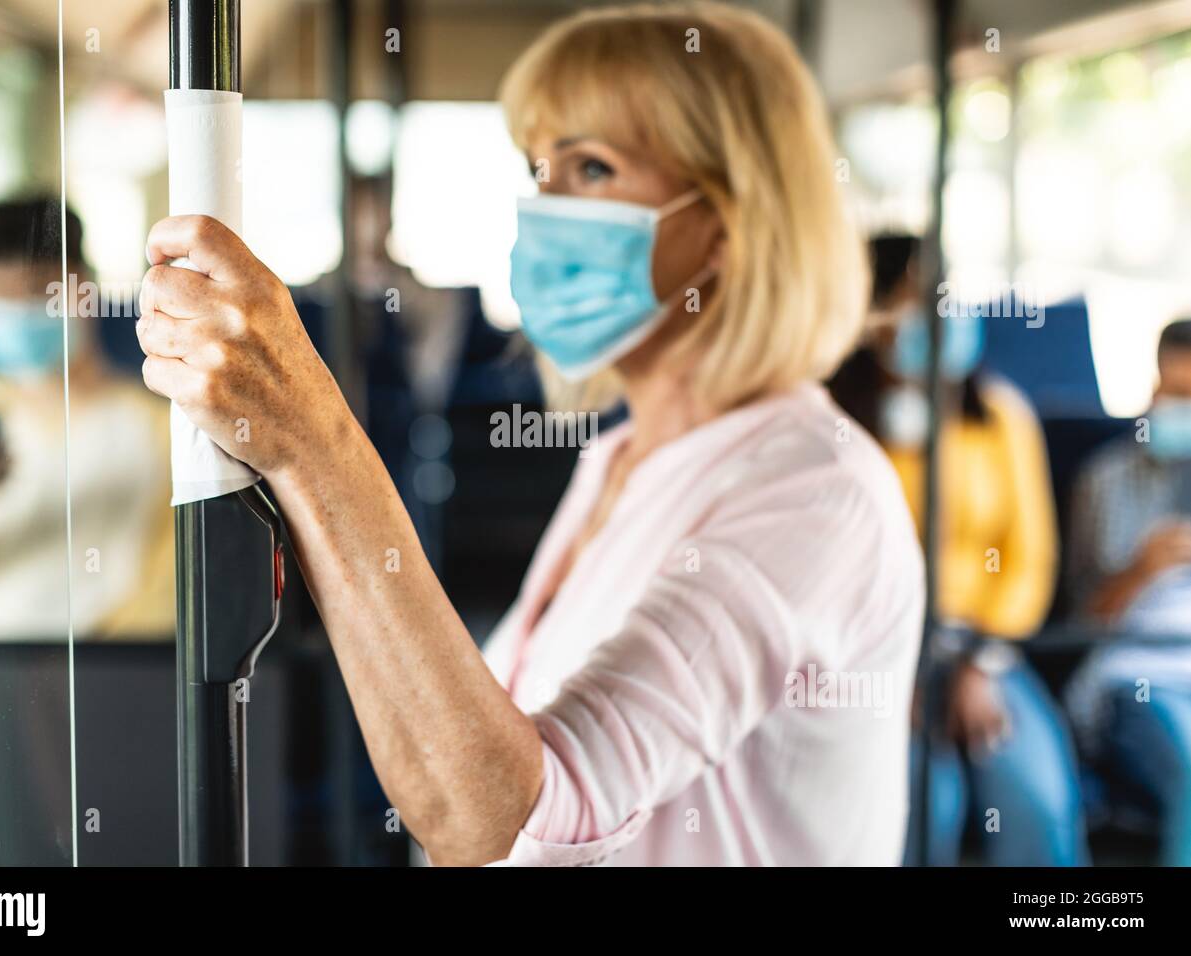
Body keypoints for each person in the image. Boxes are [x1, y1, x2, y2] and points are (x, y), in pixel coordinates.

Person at [135, 2, 923, 866]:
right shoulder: (620, 459)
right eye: (538, 168)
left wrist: (311, 437)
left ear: (731, 226)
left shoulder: (816, 490)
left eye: (591, 167)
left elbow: (511, 819)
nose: (544, 210)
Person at [828, 235, 1089, 866]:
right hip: (869, 654)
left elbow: (1029, 560)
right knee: (922, 804)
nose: (937, 319)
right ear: (872, 316)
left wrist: (980, 662)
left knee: (1034, 796)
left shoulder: (1000, 416)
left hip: (984, 650)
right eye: (914, 301)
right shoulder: (835, 423)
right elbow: (830, 566)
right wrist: (892, 668)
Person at [0, 196, 174, 640]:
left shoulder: (162, 430)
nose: (13, 310)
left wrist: (89, 674)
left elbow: (171, 602)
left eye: (33, 289)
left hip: (109, 681)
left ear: (84, 288)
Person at [1066, 317, 1191, 865]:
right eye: (1175, 393)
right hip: (1143, 677)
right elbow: (1078, 623)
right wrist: (1140, 571)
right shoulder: (1106, 479)